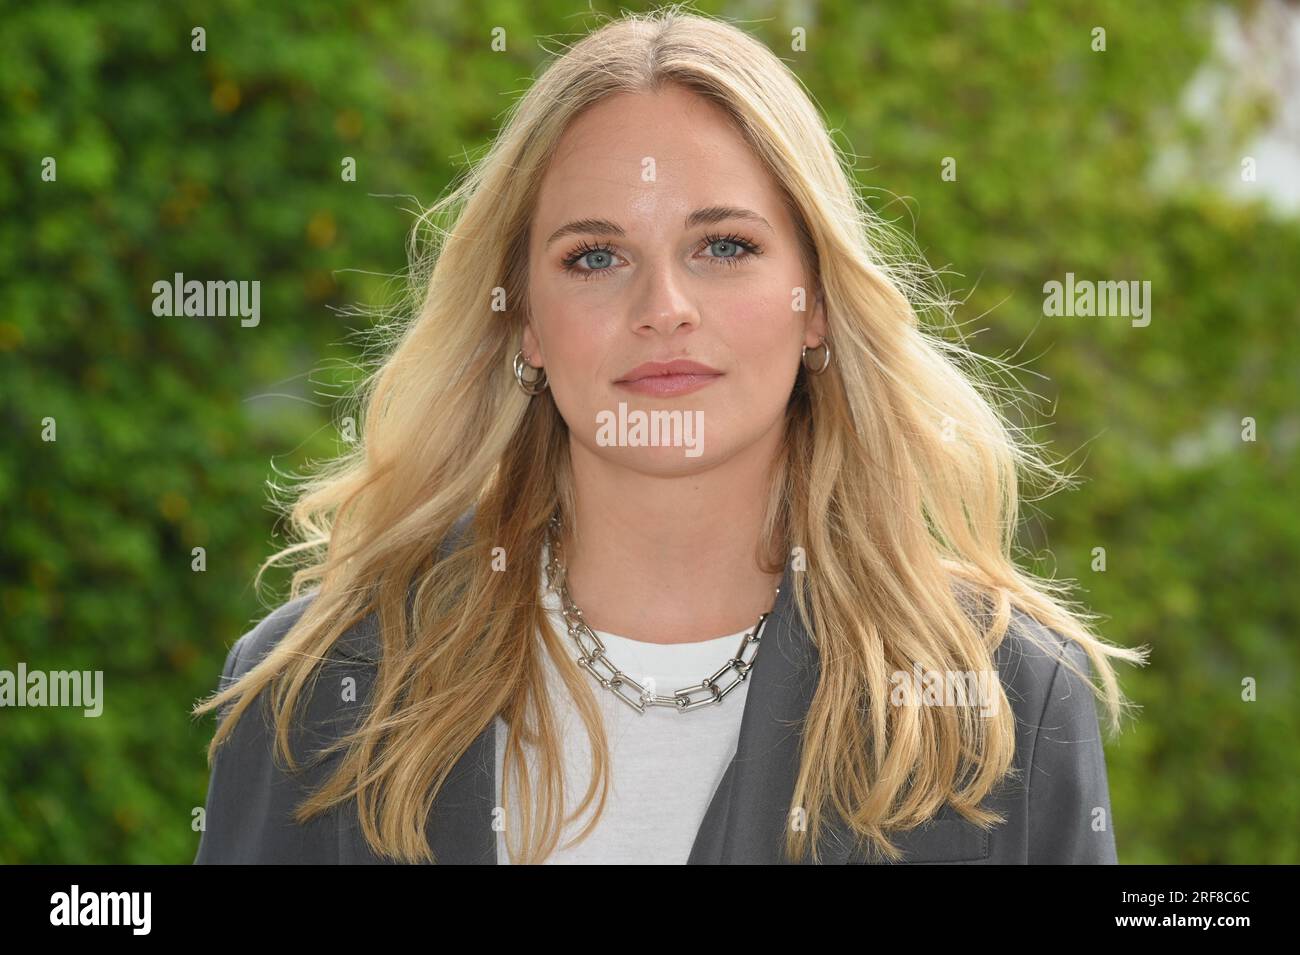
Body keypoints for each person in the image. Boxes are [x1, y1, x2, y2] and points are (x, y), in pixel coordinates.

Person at [192, 6, 1148, 865]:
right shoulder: (321, 687)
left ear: (816, 301)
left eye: (723, 246)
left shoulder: (1001, 705)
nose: (664, 306)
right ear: (523, 319)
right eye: (595, 256)